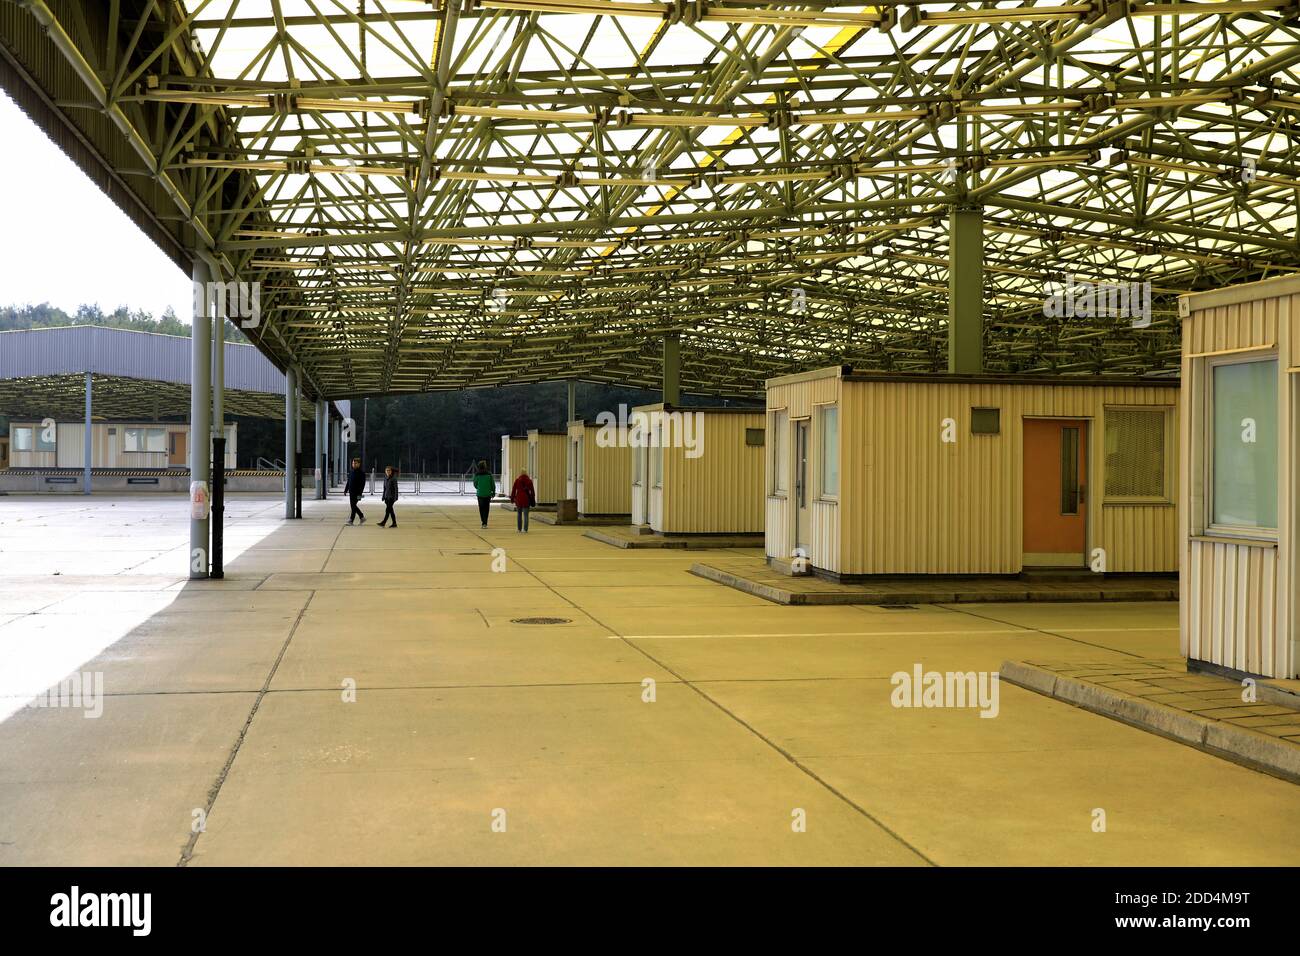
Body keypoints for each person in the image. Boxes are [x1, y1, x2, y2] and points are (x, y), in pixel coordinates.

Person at [510, 468, 536, 533]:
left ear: (520, 473)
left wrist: (512, 499)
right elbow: (532, 492)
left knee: (519, 514)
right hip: (526, 499)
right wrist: (533, 499)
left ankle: (519, 529)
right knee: (526, 515)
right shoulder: (529, 481)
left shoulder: (517, 480)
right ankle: (525, 529)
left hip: (519, 499)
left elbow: (513, 490)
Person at [472, 459, 495, 529]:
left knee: (481, 509)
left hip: (480, 494)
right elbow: (492, 484)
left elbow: (475, 484)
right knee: (486, 508)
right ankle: (485, 522)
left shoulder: (477, 475)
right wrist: (493, 491)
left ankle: (483, 522)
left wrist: (479, 488)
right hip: (487, 494)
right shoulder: (489, 474)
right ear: (485, 466)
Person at [344, 457, 366, 525]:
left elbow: (362, 485)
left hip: (358, 493)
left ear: (359, 464)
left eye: (355, 463)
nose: (353, 464)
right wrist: (345, 490)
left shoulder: (362, 473)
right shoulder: (351, 471)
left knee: (353, 505)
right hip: (351, 492)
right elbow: (348, 482)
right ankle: (362, 517)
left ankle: (351, 520)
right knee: (353, 506)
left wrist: (360, 494)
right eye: (353, 463)